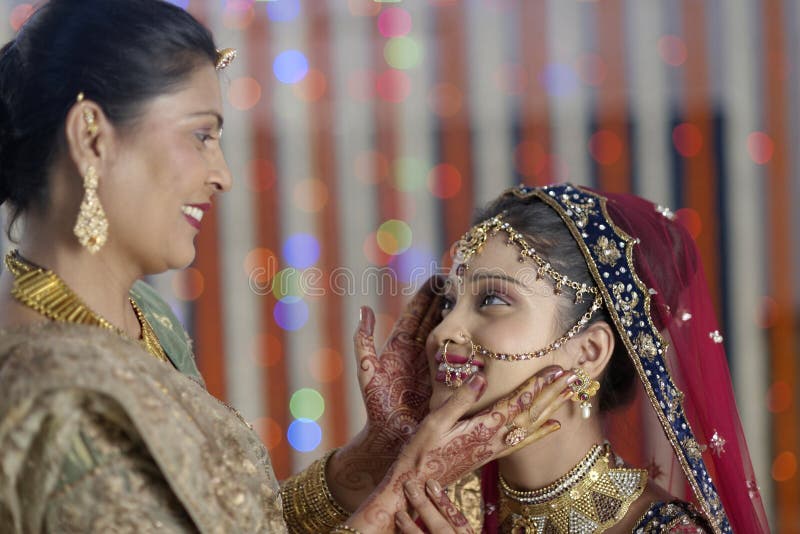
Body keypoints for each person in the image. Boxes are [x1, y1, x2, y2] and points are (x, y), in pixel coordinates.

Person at [0, 1, 574, 532]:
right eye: (200, 135)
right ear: (92, 136)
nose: (221, 174)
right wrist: (399, 491)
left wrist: (372, 460)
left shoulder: (142, 314)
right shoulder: (52, 394)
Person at [389, 184, 771, 533]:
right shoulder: (435, 500)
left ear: (589, 352)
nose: (443, 331)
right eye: (449, 304)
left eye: (492, 300)